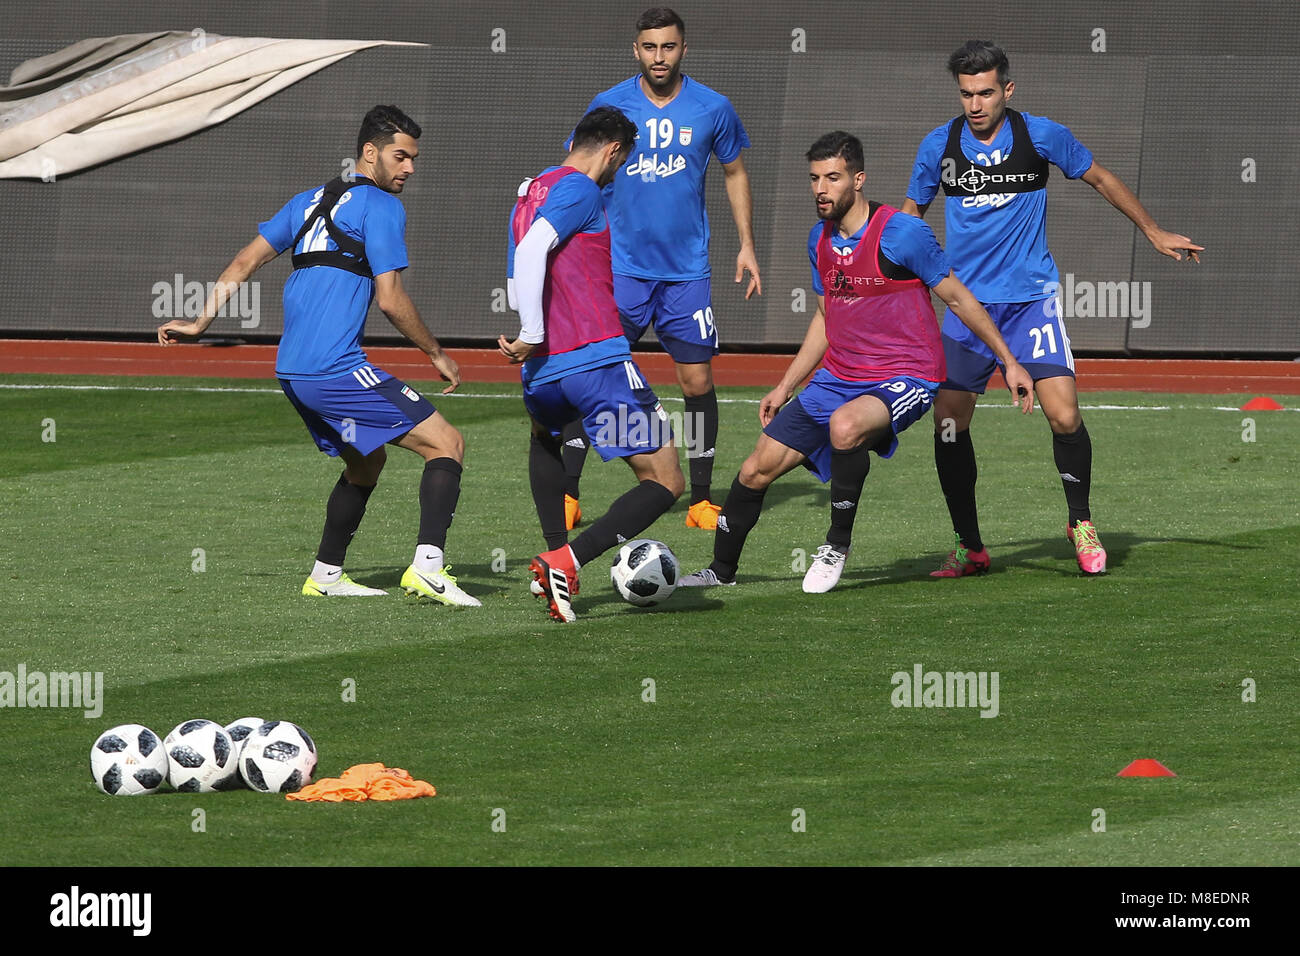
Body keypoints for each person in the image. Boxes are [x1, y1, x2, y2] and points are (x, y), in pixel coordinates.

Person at [681, 131, 1033, 592]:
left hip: (907, 375)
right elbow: (828, 317)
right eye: (814, 179)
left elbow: (958, 298)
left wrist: (1008, 361)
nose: (821, 189)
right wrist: (786, 385)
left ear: (858, 179)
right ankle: (720, 572)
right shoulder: (819, 240)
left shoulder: (902, 233)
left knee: (846, 428)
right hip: (838, 377)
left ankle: (835, 546)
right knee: (753, 470)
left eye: (832, 177)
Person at [902, 40, 1203, 577]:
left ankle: (1080, 521)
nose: (975, 104)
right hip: (967, 311)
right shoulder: (938, 147)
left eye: (986, 92)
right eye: (966, 94)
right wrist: (902, 282)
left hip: (1030, 305)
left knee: (1064, 416)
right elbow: (909, 218)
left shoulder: (1041, 135)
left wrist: (1153, 231)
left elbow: (1101, 178)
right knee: (948, 424)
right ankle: (969, 546)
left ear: (1007, 90)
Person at [157, 105, 479, 606]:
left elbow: (246, 259)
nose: (410, 168)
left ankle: (325, 575)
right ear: (369, 153)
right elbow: (391, 299)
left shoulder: (307, 201)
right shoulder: (384, 207)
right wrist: (435, 352)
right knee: (447, 444)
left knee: (366, 463)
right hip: (335, 370)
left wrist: (200, 321)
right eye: (400, 157)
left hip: (293, 373)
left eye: (414, 158)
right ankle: (428, 569)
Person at [558, 6, 762, 533]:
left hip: (686, 272)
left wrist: (746, 244)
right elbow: (578, 176)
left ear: (683, 49)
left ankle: (698, 499)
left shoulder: (713, 107)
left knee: (696, 383)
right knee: (594, 374)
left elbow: (735, 171)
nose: (658, 57)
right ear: (636, 50)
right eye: (650, 47)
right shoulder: (608, 105)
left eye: (668, 47)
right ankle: (567, 491)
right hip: (620, 269)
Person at [500, 106, 685, 623]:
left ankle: (554, 558)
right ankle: (567, 560)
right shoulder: (581, 189)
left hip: (543, 372)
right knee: (666, 481)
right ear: (612, 149)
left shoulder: (528, 191)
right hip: (596, 363)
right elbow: (536, 249)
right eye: (620, 163)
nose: (616, 174)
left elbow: (521, 272)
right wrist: (534, 331)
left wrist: (532, 336)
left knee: (545, 436)